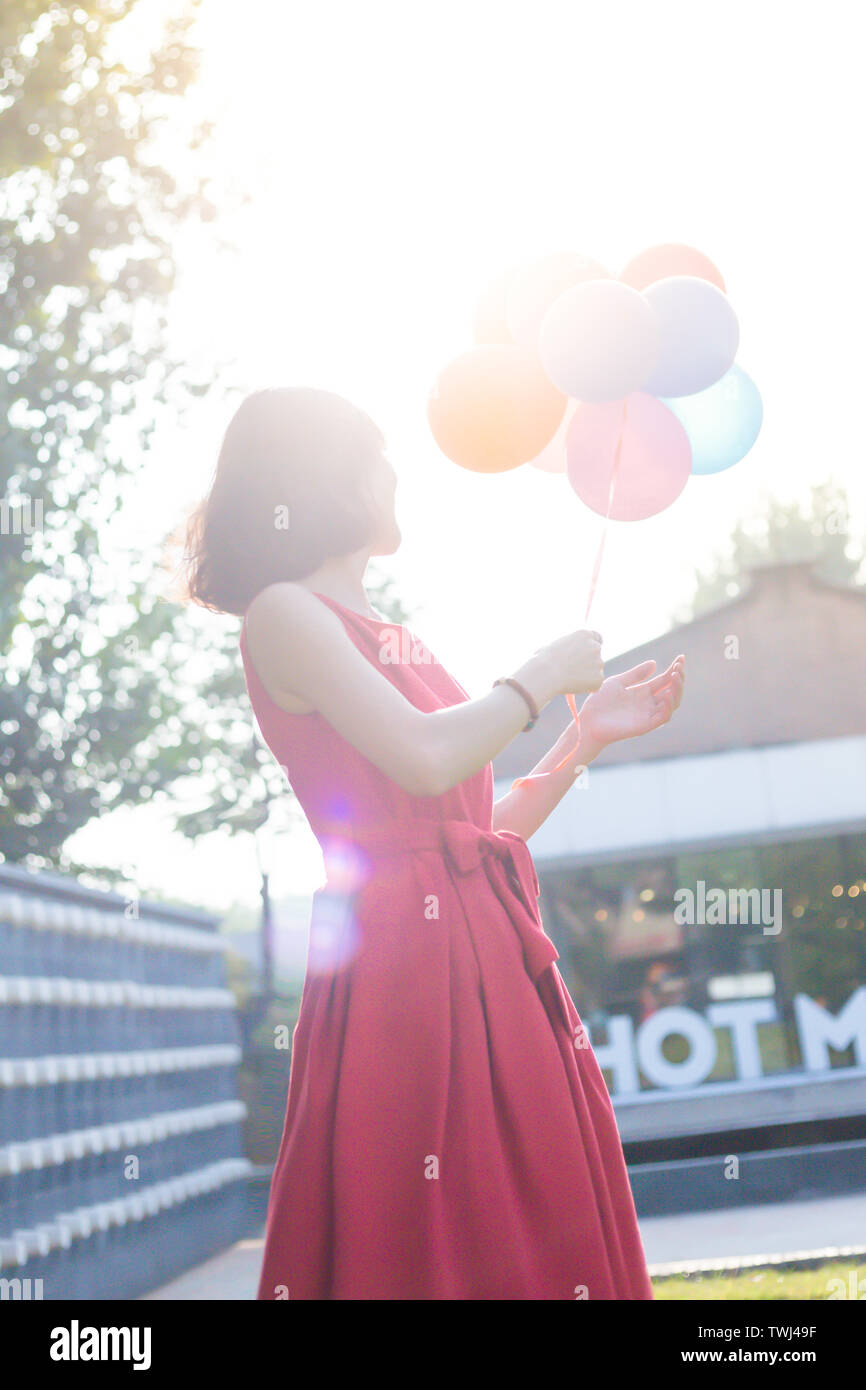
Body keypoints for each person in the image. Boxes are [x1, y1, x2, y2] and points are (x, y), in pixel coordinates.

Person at [184, 385, 685, 1300]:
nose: (393, 475)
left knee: (528, 1198)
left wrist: (586, 738)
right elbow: (423, 760)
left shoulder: (396, 636)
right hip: (405, 963)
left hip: (486, 947)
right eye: (376, 457)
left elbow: (470, 831)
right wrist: (540, 676)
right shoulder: (285, 614)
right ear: (325, 477)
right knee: (446, 1211)